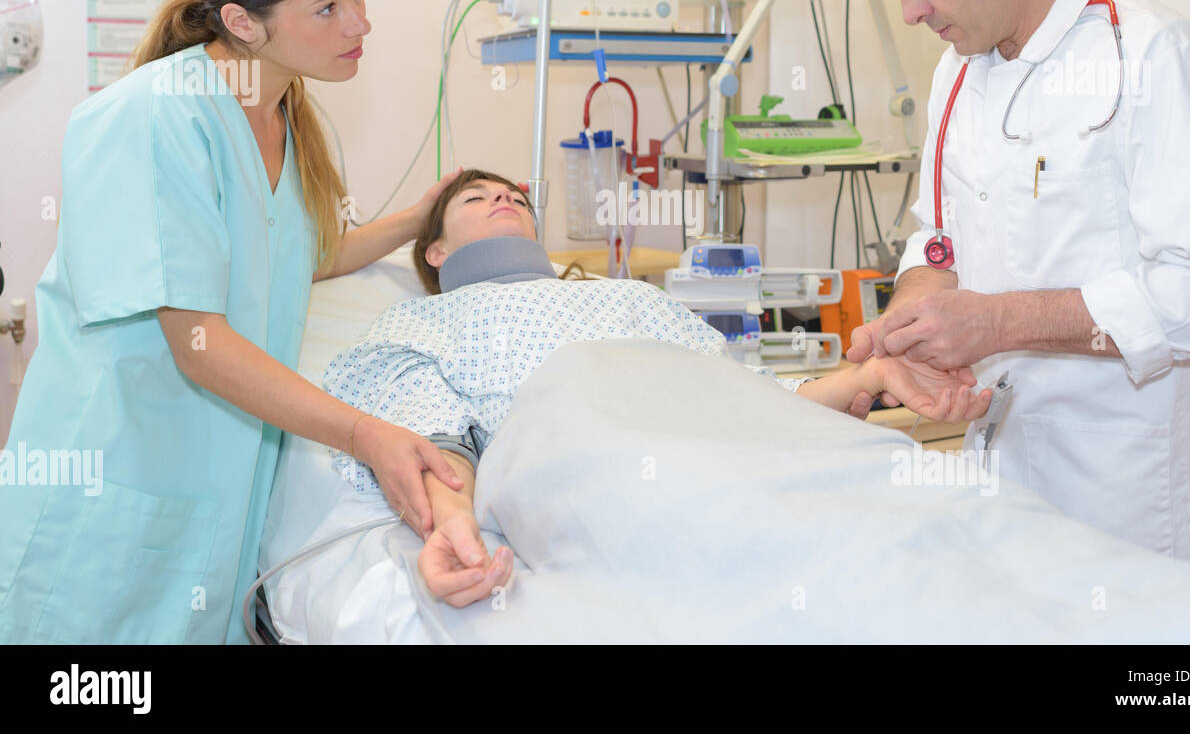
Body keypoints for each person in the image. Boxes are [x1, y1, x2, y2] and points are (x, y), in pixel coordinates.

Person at [0, 0, 465, 644]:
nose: (361, 23)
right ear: (245, 21)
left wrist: (417, 220)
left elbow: (291, 258)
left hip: (210, 506)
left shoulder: (295, 121)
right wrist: (365, 433)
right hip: (107, 501)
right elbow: (199, 341)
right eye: (327, 8)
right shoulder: (152, 119)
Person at [847, 0, 1190, 563]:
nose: (911, 11)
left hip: (1123, 504)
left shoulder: (1155, 56)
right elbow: (937, 234)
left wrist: (999, 321)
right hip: (999, 477)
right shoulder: (960, 71)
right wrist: (916, 315)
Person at [323, 168, 993, 607]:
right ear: (435, 252)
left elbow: (740, 395)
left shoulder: (626, 298)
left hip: (701, 448)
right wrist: (457, 527)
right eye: (477, 198)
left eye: (518, 197)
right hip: (583, 466)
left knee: (919, 528)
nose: (505, 197)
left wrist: (867, 376)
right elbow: (433, 440)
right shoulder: (420, 319)